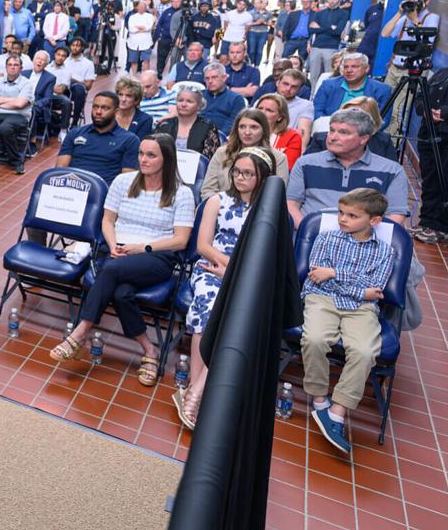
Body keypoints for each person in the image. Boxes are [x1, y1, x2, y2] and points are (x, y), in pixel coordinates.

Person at [48, 134, 195, 386]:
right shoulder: (123, 181)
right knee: (121, 293)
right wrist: (113, 243)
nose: (143, 159)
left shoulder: (182, 194)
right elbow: (107, 220)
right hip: (119, 252)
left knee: (111, 270)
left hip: (155, 257)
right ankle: (150, 351)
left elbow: (181, 240)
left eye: (151, 155)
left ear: (167, 158)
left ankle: (80, 333)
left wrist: (142, 247)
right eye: (141, 153)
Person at [175, 148, 273, 429]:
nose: (240, 178)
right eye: (237, 172)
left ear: (262, 177)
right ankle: (197, 388)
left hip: (249, 274)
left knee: (234, 317)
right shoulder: (217, 200)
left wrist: (236, 272)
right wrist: (229, 267)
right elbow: (203, 245)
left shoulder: (268, 209)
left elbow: (269, 254)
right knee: (208, 312)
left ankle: (195, 391)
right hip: (212, 267)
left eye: (248, 173)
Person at [301, 188, 397, 456]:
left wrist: (334, 273)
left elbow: (375, 288)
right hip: (322, 299)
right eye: (341, 213)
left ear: (374, 221)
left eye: (352, 216)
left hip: (362, 309)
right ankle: (319, 399)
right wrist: (359, 289)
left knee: (365, 351)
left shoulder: (385, 251)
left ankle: (337, 410)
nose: (343, 219)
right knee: (315, 339)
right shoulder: (326, 238)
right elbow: (316, 277)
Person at [286, 108, 409, 227]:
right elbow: (290, 204)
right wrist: (306, 230)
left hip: (365, 238)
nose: (333, 137)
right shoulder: (305, 163)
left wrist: (366, 237)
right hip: (311, 234)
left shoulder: (392, 170)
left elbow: (396, 215)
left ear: (364, 138)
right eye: (331, 130)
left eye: (343, 132)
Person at [412, 36, 448, 244]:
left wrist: (445, 113)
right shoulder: (444, 72)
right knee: (430, 180)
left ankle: (441, 228)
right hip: (429, 134)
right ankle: (426, 222)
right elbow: (421, 95)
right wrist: (425, 110)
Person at [380, 0, 442, 141]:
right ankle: (380, 139)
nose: (415, 5)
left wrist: (415, 19)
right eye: (412, 2)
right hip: (395, 68)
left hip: (412, 70)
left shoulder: (431, 17)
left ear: (427, 2)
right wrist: (399, 13)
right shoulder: (404, 18)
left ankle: (392, 145)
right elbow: (385, 33)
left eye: (418, 2)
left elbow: (428, 40)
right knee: (384, 104)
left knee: (398, 110)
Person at [199, 109, 288, 199]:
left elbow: (276, 196)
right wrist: (222, 205)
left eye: (254, 127)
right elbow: (208, 190)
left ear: (264, 130)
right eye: (242, 127)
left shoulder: (278, 158)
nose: (247, 132)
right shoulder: (222, 152)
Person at [54, 91, 139, 181]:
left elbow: (127, 180)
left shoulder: (129, 140)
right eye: (95, 107)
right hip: (73, 186)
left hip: (105, 188)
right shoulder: (74, 134)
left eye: (105, 108)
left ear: (116, 112)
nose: (98, 112)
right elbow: (60, 169)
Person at [305, 97, 394, 159]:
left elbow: (392, 172)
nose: (347, 118)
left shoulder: (383, 141)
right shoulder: (320, 140)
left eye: (355, 116)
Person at [311, 52, 391, 118]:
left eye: (354, 67)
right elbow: (317, 111)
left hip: (365, 131)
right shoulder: (328, 85)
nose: (349, 70)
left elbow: (382, 120)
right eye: (346, 67)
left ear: (367, 68)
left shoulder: (382, 90)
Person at [154, 86, 221, 159]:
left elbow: (208, 158)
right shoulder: (164, 125)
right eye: (180, 100)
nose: (183, 105)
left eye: (189, 101)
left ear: (199, 105)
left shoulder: (208, 126)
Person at [306, 0, 350, 88]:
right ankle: (312, 94)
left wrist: (320, 28)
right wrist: (330, 27)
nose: (332, 1)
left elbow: (338, 31)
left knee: (329, 75)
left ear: (340, 0)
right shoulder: (319, 13)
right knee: (313, 75)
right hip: (316, 47)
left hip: (332, 48)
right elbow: (311, 29)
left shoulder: (344, 13)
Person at [23, 50, 68, 140]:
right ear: (33, 60)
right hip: (21, 102)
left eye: (43, 60)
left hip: (38, 105)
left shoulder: (50, 78)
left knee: (32, 111)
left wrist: (34, 103)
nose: (39, 61)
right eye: (38, 58)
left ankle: (31, 140)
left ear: (46, 64)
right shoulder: (23, 73)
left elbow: (47, 98)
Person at [52, 38, 95, 127]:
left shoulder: (88, 63)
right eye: (73, 45)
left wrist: (72, 79)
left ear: (82, 48)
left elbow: (88, 86)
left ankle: (75, 121)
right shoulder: (64, 59)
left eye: (77, 46)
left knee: (79, 88)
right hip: (61, 85)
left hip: (76, 88)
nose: (75, 48)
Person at [255, 93, 303, 169]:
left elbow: (288, 168)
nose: (262, 113)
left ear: (280, 117)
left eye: (269, 110)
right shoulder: (244, 131)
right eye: (260, 108)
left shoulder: (292, 137)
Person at [199, 63, 246, 136]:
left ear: (224, 78)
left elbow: (233, 122)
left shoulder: (236, 99)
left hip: (222, 136)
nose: (210, 81)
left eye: (214, 77)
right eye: (207, 78)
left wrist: (218, 136)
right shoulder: (198, 96)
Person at [114, 75, 154, 139]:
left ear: (136, 100)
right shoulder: (109, 115)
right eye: (120, 95)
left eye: (128, 96)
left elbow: (139, 143)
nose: (123, 99)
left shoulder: (145, 119)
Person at [155, 0, 182, 75]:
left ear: (181, 3)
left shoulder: (183, 13)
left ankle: (172, 75)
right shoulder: (167, 11)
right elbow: (159, 24)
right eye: (174, 1)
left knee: (174, 59)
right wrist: (158, 36)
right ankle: (159, 73)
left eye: (177, 1)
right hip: (165, 39)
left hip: (177, 40)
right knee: (161, 57)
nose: (175, 3)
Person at [125, 0, 155, 73]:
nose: (141, 8)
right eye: (140, 6)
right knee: (133, 61)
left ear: (145, 7)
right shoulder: (132, 17)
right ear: (137, 7)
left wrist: (138, 28)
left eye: (143, 6)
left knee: (146, 60)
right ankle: (134, 77)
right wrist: (143, 28)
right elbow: (131, 29)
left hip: (146, 42)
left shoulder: (149, 16)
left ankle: (145, 76)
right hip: (133, 42)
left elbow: (149, 27)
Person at [246, 0, 271, 67]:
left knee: (259, 50)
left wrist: (264, 22)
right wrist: (256, 23)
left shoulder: (268, 13)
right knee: (251, 50)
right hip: (252, 32)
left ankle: (257, 65)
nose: (257, 4)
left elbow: (270, 23)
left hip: (263, 33)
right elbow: (247, 23)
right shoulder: (251, 12)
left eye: (259, 3)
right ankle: (250, 64)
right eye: (255, 3)